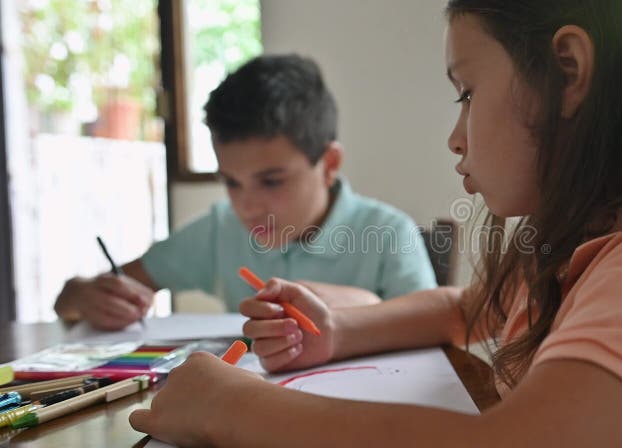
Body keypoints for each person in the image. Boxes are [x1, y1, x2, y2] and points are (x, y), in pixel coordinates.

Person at [129, 1, 622, 448]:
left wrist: (234, 408)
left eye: (467, 93)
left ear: (568, 73)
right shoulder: (583, 251)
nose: (456, 137)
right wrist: (335, 331)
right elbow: (463, 309)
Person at [54, 54, 437, 330]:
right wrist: (83, 295)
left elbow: (437, 333)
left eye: (271, 181)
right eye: (231, 182)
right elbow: (75, 300)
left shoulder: (389, 234)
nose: (247, 206)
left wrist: (368, 310)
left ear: (330, 164)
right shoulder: (220, 231)